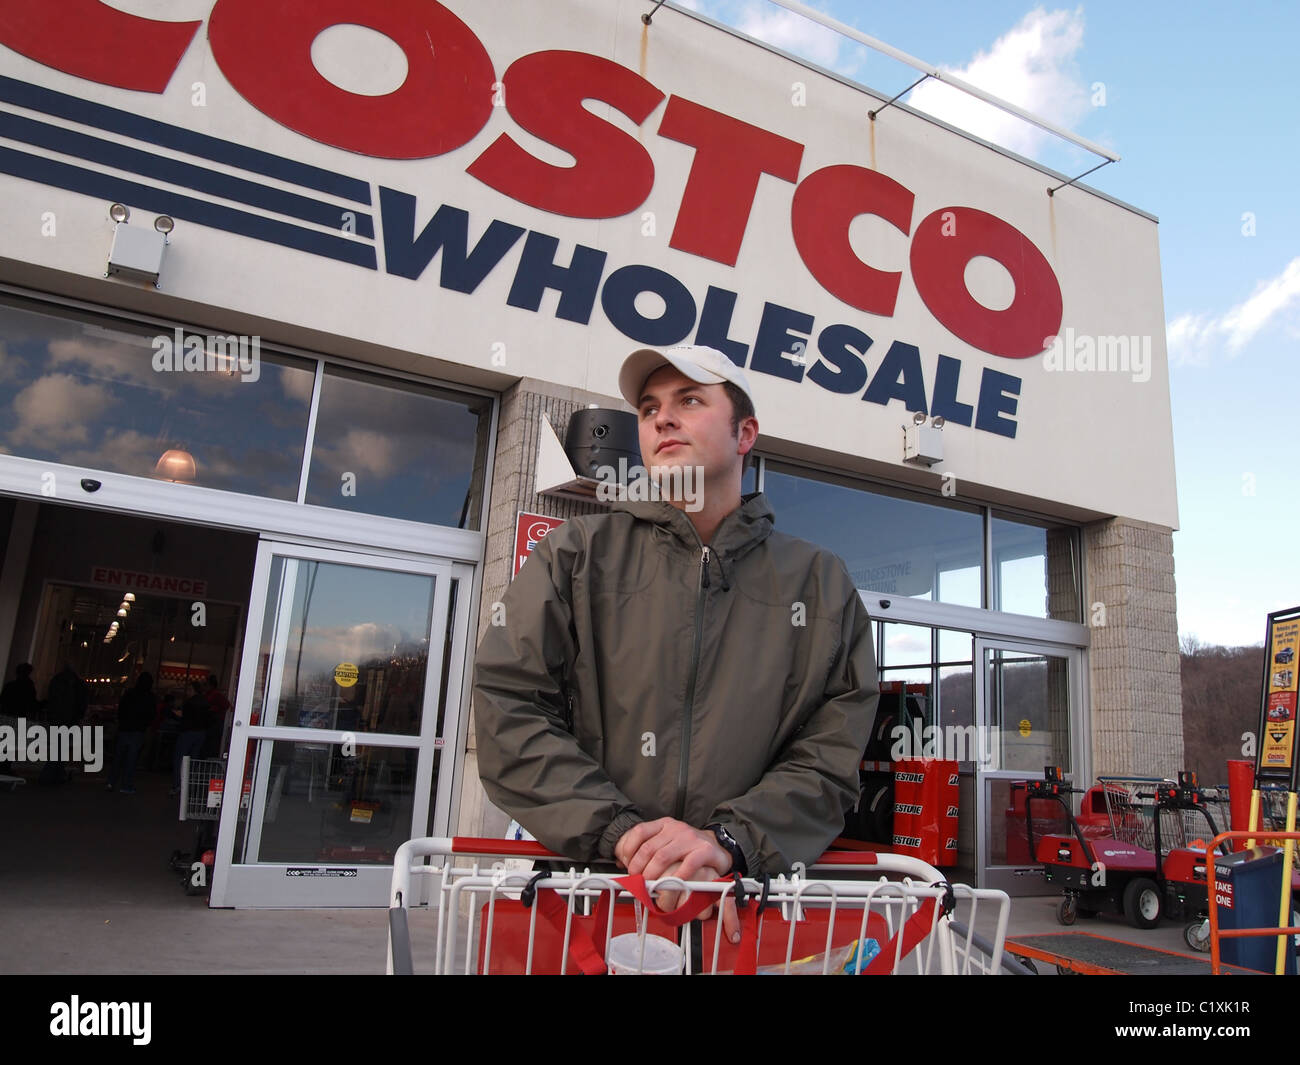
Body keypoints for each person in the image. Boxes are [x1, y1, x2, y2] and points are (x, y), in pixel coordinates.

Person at [474, 344, 879, 931]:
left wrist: (730, 840)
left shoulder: (819, 584)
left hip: (740, 908)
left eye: (689, 400)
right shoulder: (577, 555)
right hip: (595, 900)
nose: (662, 418)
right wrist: (624, 836)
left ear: (745, 434)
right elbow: (507, 706)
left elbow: (831, 756)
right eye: (648, 408)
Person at [108, 672, 154, 794]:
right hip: (138, 731)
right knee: (131, 759)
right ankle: (126, 785)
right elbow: (150, 715)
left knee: (118, 757)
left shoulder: (129, 693)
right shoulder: (149, 697)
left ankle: (111, 782)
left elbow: (121, 709)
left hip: (124, 729)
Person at [172, 680, 211, 796]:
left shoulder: (189, 703)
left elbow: (184, 717)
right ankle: (190, 787)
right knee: (194, 761)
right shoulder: (205, 702)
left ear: (192, 690)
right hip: (201, 733)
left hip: (187, 733)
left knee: (180, 760)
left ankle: (177, 785)